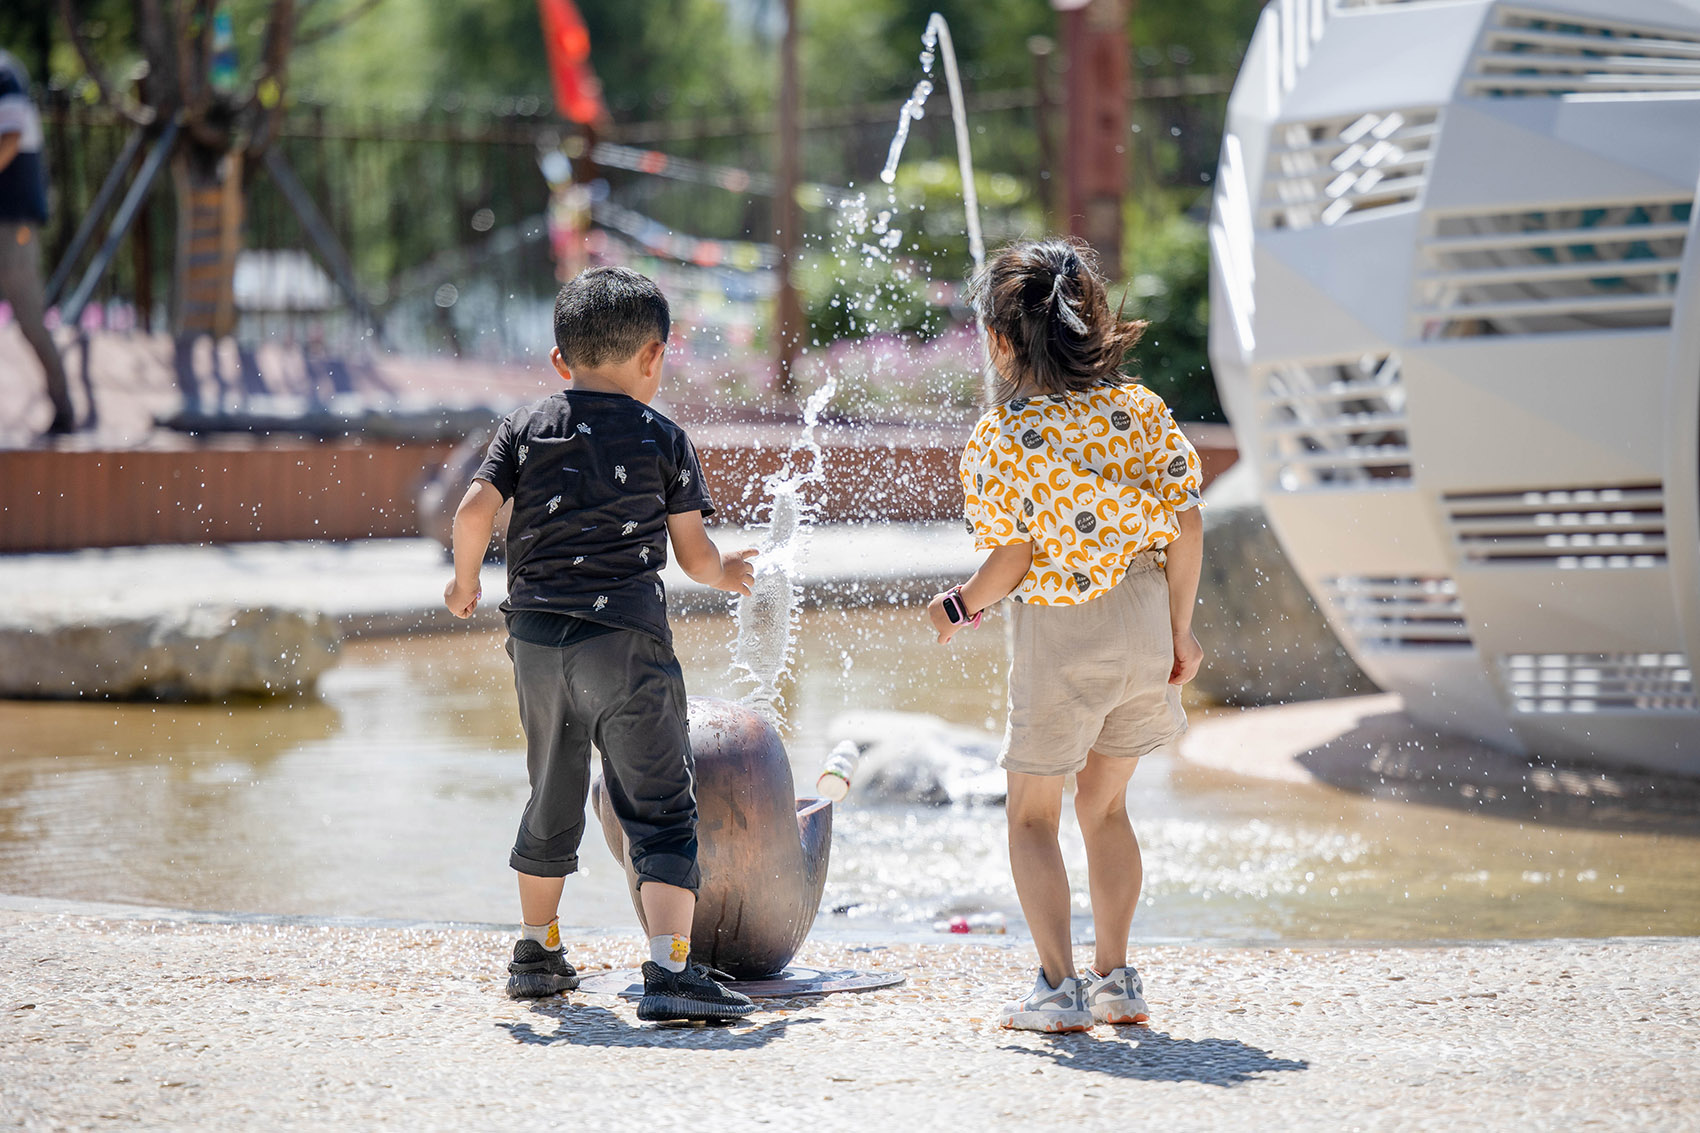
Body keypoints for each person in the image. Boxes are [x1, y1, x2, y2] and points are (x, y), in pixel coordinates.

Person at [444, 265, 759, 1022]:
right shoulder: (664, 438)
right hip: (626, 645)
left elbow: (471, 510)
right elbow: (695, 557)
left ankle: (536, 949)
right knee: (658, 804)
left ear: (561, 361)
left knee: (552, 790)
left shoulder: (525, 426)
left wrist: (463, 585)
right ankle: (671, 970)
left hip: (537, 639)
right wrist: (732, 574)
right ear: (655, 356)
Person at [927, 238, 1205, 1034]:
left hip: (1063, 637)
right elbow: (1185, 524)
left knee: (1031, 816)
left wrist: (956, 606)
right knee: (1107, 809)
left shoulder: (1003, 437)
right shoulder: (1140, 411)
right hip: (1146, 619)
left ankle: (1057, 988)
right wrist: (1182, 631)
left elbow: (1010, 561)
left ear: (1001, 341)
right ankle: (1119, 979)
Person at [0, 49, 73, 436]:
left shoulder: (5, 73)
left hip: (13, 223)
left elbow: (11, 137)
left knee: (30, 319)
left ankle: (64, 409)